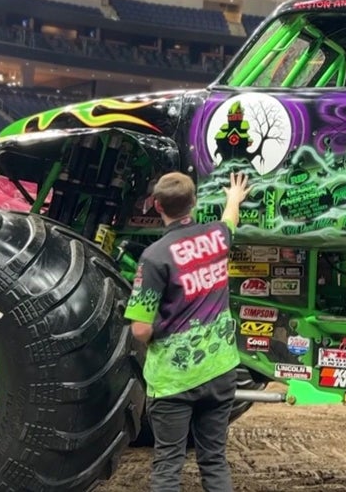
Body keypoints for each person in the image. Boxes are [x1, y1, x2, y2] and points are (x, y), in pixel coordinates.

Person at [125, 170, 251, 492]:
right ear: (194, 202)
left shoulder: (154, 258)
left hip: (174, 380)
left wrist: (155, 333)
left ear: (156, 205)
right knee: (214, 459)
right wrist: (233, 197)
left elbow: (140, 329)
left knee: (168, 463)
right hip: (220, 370)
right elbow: (230, 219)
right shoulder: (216, 237)